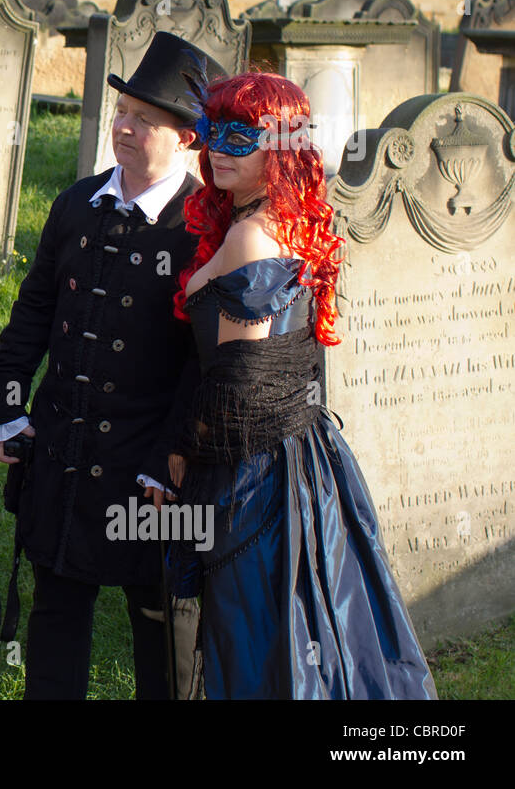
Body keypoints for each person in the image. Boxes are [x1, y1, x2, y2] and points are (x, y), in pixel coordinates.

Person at [168, 71, 437, 699]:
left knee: (262, 642)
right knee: (320, 625)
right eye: (212, 132)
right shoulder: (294, 221)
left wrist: (182, 454)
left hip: (255, 470)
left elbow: (241, 392)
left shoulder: (249, 234)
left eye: (242, 136)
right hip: (306, 456)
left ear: (282, 145)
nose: (219, 150)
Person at [0, 31, 221, 699]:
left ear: (187, 140)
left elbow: (209, 365)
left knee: (163, 622)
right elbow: (32, 311)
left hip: (156, 463)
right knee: (56, 606)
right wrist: (5, 403)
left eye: (145, 120)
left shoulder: (205, 230)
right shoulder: (75, 204)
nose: (123, 126)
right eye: (122, 112)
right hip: (66, 446)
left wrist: (175, 454)